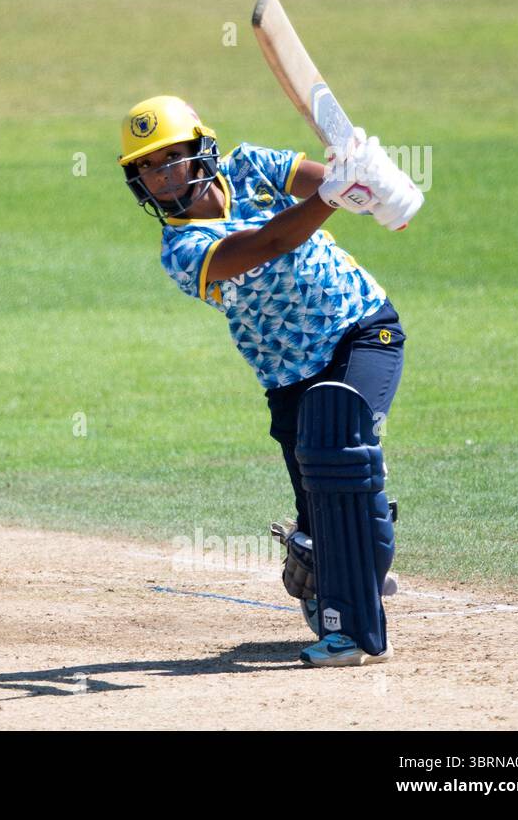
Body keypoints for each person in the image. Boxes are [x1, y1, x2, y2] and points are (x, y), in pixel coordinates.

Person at [117, 96, 423, 667]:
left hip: (361, 328)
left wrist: (364, 175)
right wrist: (337, 193)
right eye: (146, 168)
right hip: (288, 378)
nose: (159, 176)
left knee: (342, 458)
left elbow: (333, 185)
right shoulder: (181, 250)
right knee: (328, 509)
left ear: (200, 149)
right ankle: (326, 559)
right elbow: (268, 244)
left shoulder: (252, 166)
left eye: (170, 158)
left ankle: (351, 632)